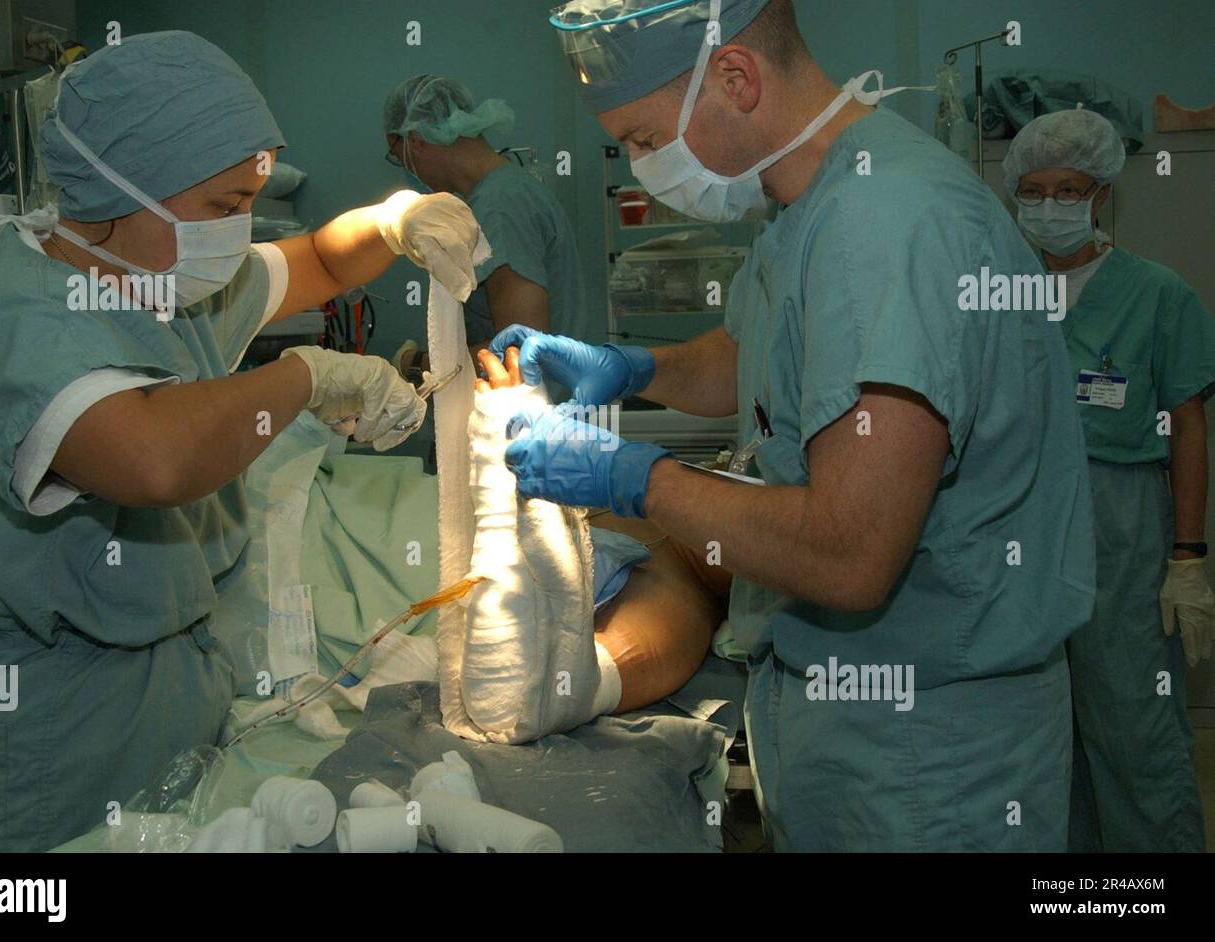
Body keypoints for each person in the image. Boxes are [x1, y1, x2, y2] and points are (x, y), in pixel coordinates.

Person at [490, 0, 1097, 851]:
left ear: (735, 78)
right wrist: (634, 367)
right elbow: (760, 355)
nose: (642, 168)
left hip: (925, 755)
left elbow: (850, 553)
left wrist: (639, 479)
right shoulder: (807, 201)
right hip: (845, 718)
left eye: (643, 139)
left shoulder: (885, 222)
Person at [0, 31, 483, 852]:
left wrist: (395, 222)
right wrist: (305, 377)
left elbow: (321, 261)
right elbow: (153, 458)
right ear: (121, 189)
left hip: (179, 703)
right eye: (222, 207)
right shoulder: (11, 314)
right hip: (51, 746)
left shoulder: (161, 287)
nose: (239, 227)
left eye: (249, 200)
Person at [1005, 107, 1215, 852]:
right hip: (1020, 522)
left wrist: (1187, 556)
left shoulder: (1157, 293)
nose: (1051, 205)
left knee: (1131, 722)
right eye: (1034, 190)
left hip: (1119, 526)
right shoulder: (1000, 293)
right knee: (1040, 733)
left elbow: (1188, 427)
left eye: (1068, 189)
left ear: (1100, 193)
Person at [383, 75, 589, 378]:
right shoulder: (505, 192)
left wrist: (416, 365)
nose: (407, 169)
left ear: (415, 140)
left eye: (397, 155)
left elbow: (521, 352)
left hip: (534, 404)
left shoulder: (499, 207)